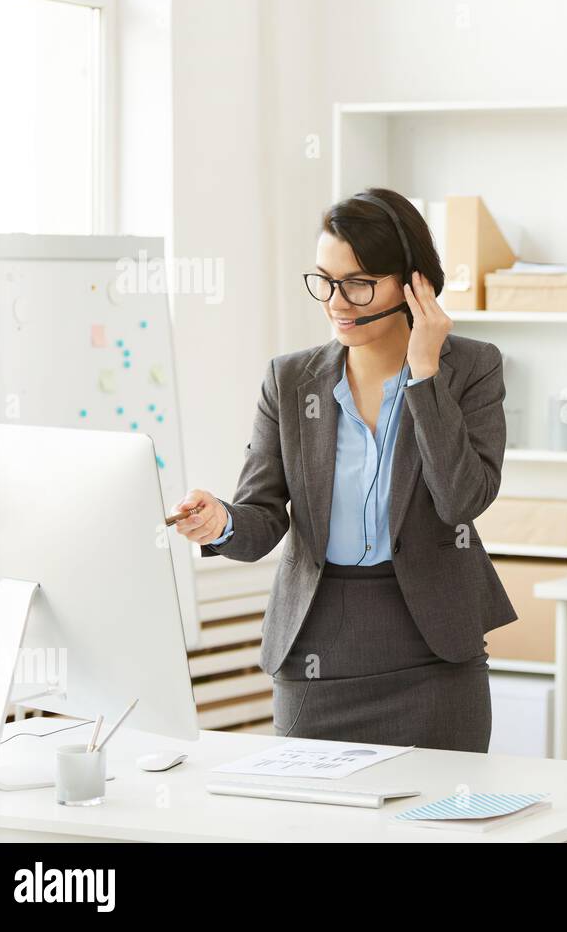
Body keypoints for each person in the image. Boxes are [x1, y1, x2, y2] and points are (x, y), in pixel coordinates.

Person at [173, 188, 517, 751]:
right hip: (318, 647)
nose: (337, 301)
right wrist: (221, 524)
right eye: (324, 281)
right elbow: (262, 514)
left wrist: (424, 374)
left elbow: (461, 500)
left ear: (415, 284)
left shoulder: (473, 369)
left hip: (434, 656)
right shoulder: (290, 380)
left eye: (358, 283)